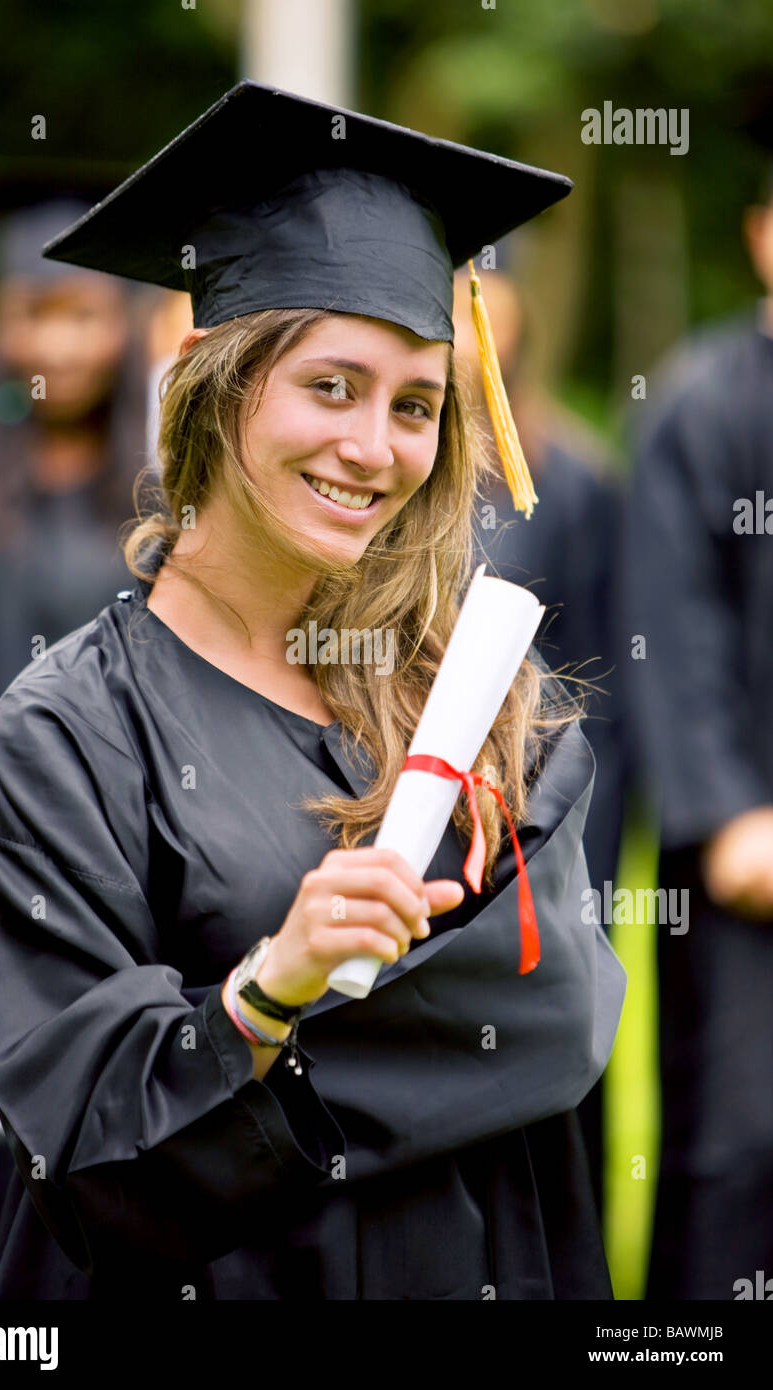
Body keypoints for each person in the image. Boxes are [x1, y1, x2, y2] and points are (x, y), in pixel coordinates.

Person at [0, 81, 626, 1301]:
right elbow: (85, 1152)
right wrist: (271, 982)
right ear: (215, 380)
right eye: (330, 386)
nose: (374, 446)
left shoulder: (477, 700)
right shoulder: (68, 735)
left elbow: (558, 1017)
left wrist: (230, 1053)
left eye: (416, 404)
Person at [0, 199, 147, 1297]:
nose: (61, 344)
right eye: (35, 315)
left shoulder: (161, 498)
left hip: (105, 895)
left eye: (87, 314)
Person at [453, 255, 629, 1213]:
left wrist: (576, 848)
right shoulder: (389, 479)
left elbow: (611, 688)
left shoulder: (575, 478)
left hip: (543, 820)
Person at [625, 166, 773, 1300]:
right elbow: (668, 619)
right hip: (745, 867)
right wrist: (726, 814)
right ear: (760, 236)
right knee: (737, 1148)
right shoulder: (703, 401)